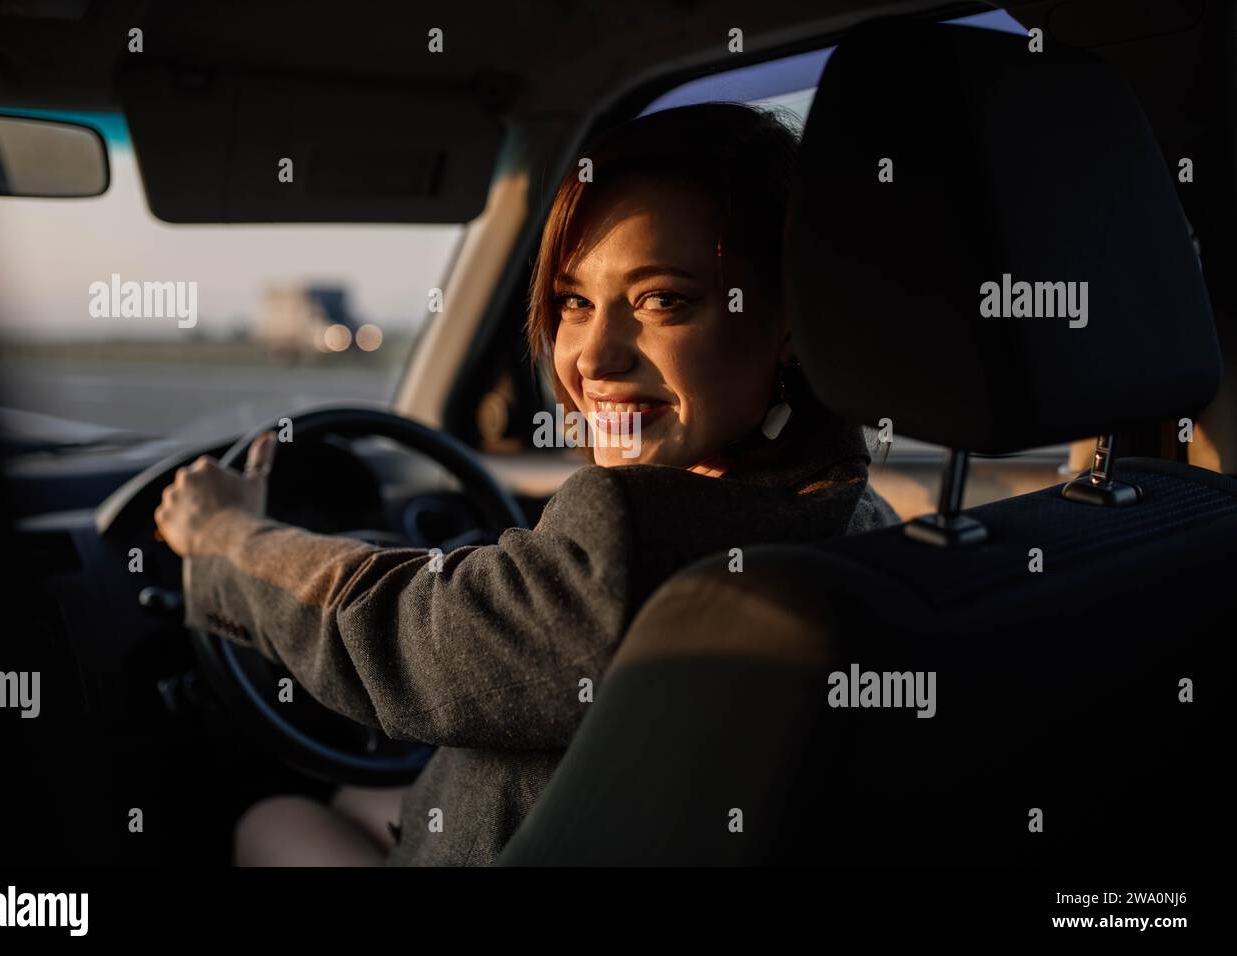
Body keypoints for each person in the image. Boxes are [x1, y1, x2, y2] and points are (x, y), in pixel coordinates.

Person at [154, 102, 901, 866]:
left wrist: (226, 537)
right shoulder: (860, 518)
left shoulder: (629, 531)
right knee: (356, 798)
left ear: (788, 323)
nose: (594, 359)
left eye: (663, 300)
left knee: (273, 819)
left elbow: (392, 638)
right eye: (575, 302)